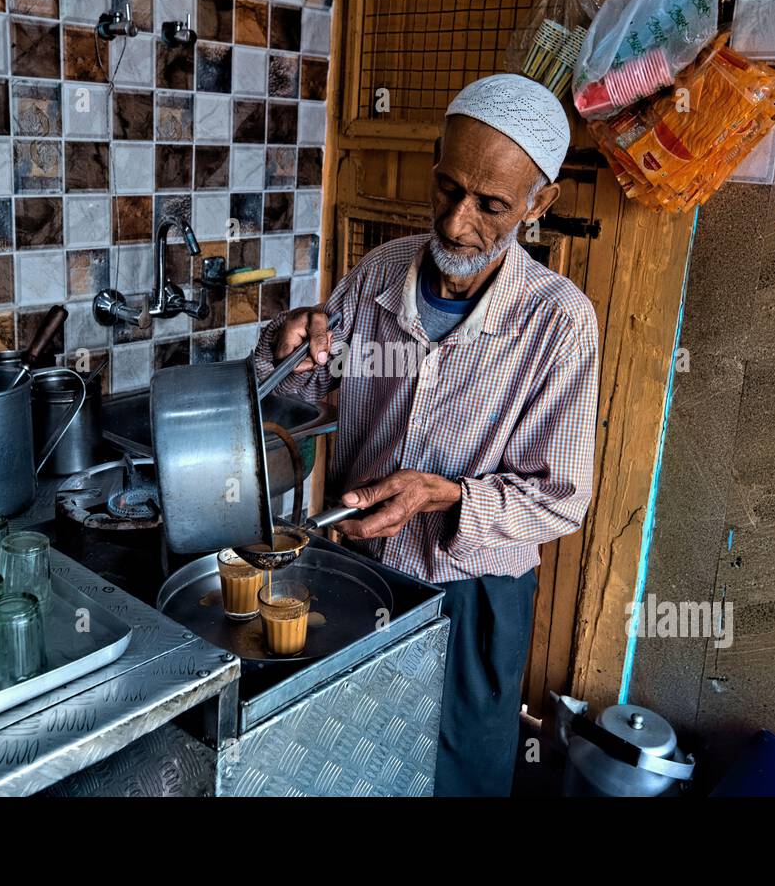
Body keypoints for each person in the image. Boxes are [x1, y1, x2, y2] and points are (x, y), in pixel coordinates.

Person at [254, 73, 599, 796]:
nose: (454, 222)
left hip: (470, 597)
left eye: (490, 205)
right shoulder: (380, 273)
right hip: (358, 571)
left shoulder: (558, 322)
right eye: (447, 188)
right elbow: (303, 389)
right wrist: (285, 345)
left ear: (540, 203)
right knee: (347, 758)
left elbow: (560, 500)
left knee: (455, 777)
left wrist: (443, 494)